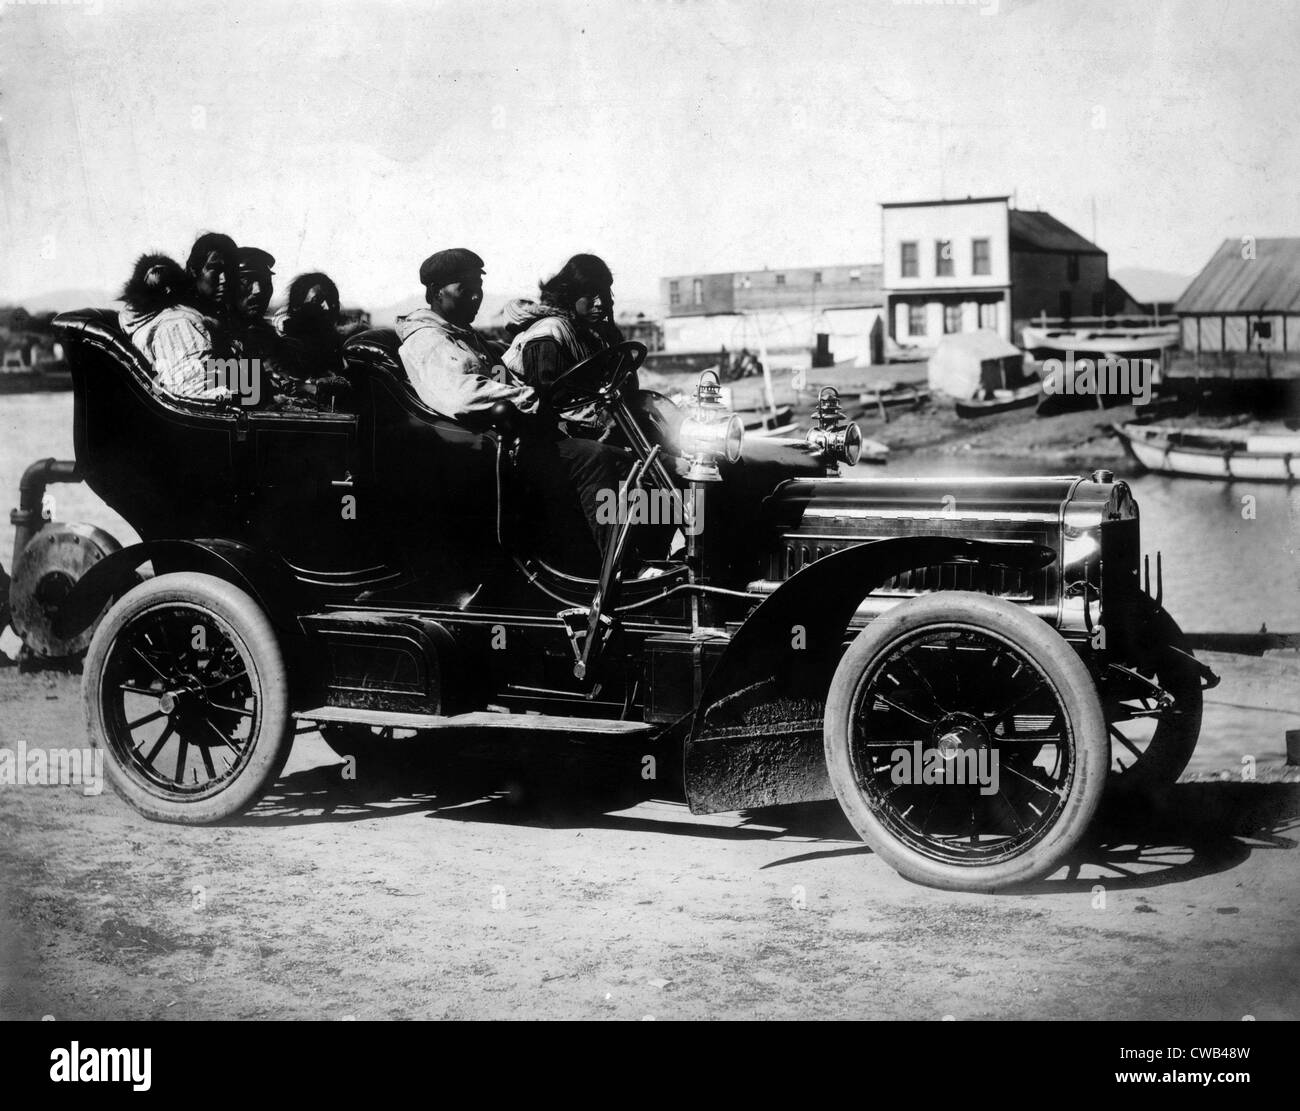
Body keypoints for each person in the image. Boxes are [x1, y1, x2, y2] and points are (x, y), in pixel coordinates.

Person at [396, 248, 632, 575]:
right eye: (465, 288)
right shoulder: (428, 341)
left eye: (479, 286)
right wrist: (528, 399)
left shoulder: (465, 336)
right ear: (437, 292)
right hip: (488, 451)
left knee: (633, 463)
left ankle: (636, 552)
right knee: (594, 457)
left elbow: (500, 376)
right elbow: (461, 394)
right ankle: (617, 571)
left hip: (513, 439)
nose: (477, 295)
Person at [501, 253, 632, 434]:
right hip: (542, 430)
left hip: (590, 422)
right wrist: (603, 421)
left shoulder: (598, 333)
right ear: (570, 295)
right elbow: (548, 399)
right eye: (590, 295)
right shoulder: (549, 332)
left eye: (603, 293)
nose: (600, 302)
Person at [118, 232, 238, 400]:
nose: (225, 279)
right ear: (193, 271)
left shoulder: (195, 317)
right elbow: (194, 392)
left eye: (230, 271)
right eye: (215, 270)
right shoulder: (178, 323)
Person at [276, 271, 350, 406]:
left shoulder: (337, 344)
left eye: (331, 301)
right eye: (318, 300)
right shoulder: (281, 342)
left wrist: (308, 387)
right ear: (297, 305)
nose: (327, 307)